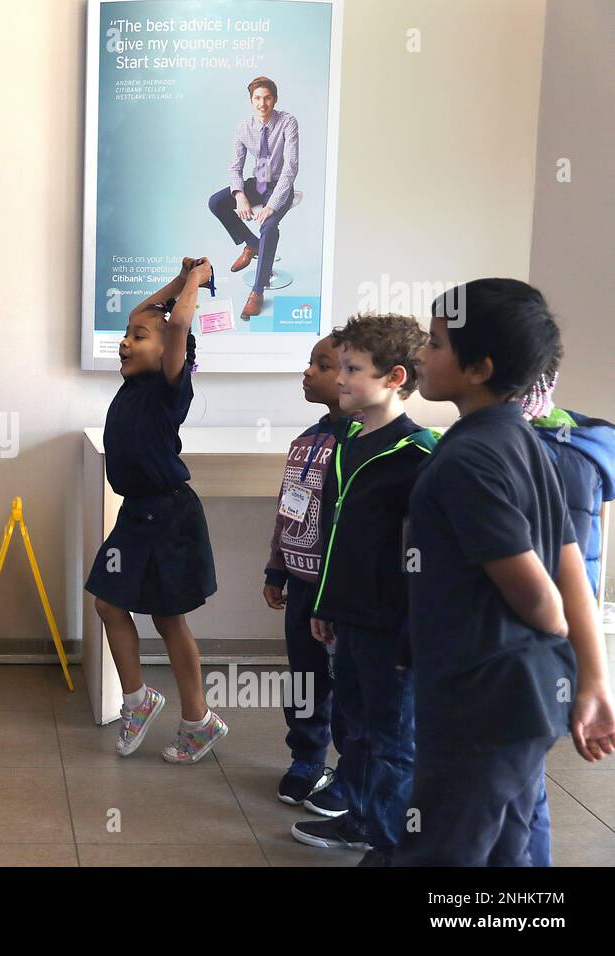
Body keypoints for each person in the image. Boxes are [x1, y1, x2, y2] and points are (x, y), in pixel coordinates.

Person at [395, 279, 614, 866]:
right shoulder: (526, 440)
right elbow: (575, 573)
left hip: (483, 700)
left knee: (443, 849)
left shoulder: (467, 459)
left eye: (436, 343)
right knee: (509, 848)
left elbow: (545, 601)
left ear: (479, 367)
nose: (420, 353)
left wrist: (556, 634)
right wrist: (593, 681)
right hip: (526, 697)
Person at [289, 315, 437, 866]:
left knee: (393, 738)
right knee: (357, 728)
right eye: (340, 366)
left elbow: (428, 559)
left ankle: (392, 845)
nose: (342, 379)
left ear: (395, 377)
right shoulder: (348, 439)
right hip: (348, 617)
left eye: (353, 369)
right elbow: (337, 537)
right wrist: (326, 605)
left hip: (392, 628)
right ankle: (359, 817)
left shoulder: (419, 455)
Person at [84, 258, 227, 764]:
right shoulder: (134, 384)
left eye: (139, 337)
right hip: (136, 514)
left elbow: (179, 323)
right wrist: (177, 281)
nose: (127, 341)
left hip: (169, 515)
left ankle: (198, 721)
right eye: (127, 336)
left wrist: (197, 280)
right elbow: (149, 309)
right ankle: (138, 700)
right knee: (107, 603)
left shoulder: (170, 386)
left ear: (168, 350)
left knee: (170, 620)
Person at [522, 363, 615, 865]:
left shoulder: (545, 456)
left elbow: (561, 569)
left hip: (530, 642)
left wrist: (590, 678)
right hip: (549, 642)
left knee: (517, 791)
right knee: (521, 787)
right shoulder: (584, 446)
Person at [263, 335, 351, 815]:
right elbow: (288, 512)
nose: (309, 371)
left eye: (323, 364)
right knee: (305, 676)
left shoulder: (362, 447)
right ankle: (307, 758)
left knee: (348, 682)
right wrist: (276, 568)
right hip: (300, 584)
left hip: (343, 593)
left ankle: (352, 769)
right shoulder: (306, 443)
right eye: (311, 362)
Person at [207, 75, 300, 320]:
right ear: (251, 101)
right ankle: (251, 243)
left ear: (275, 99)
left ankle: (257, 291)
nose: (262, 103)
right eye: (257, 98)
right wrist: (239, 195)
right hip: (255, 183)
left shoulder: (288, 122)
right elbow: (234, 167)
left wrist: (271, 205)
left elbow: (290, 167)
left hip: (280, 185)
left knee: (269, 226)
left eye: (267, 97)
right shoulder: (244, 127)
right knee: (216, 202)